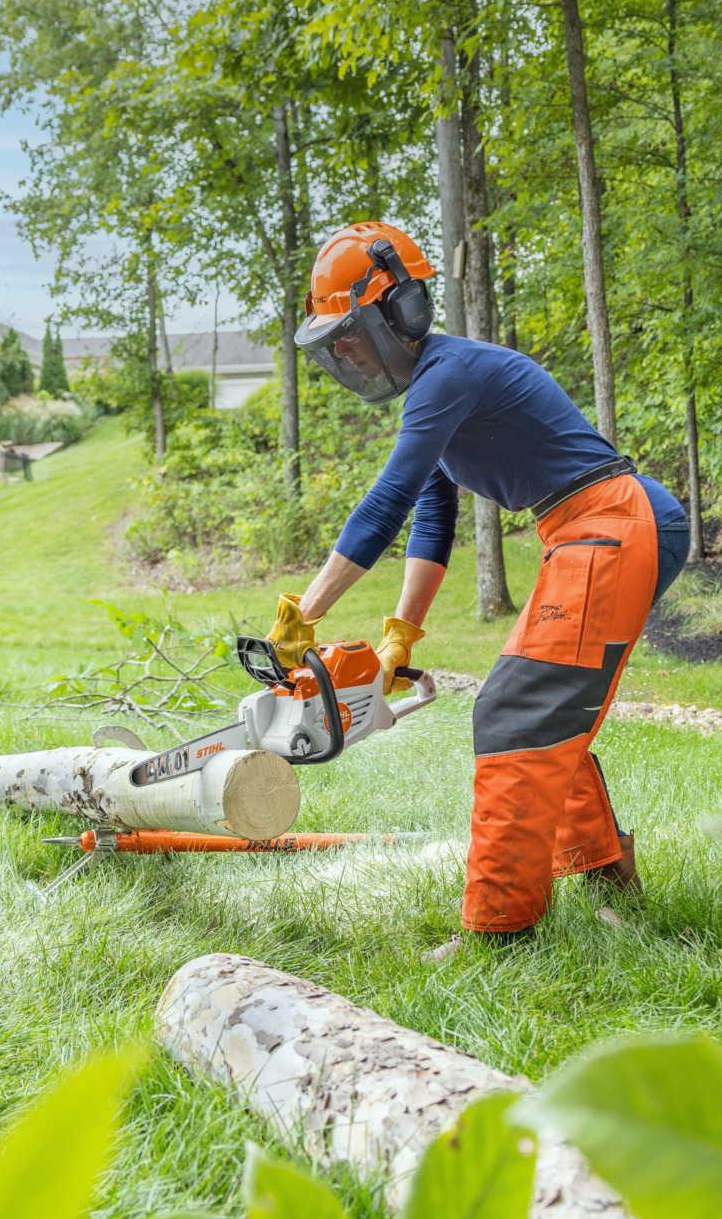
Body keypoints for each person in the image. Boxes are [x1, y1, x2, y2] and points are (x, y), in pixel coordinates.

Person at [264, 221, 690, 960]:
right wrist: (402, 636)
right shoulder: (437, 392)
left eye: (351, 335)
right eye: (334, 344)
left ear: (400, 312)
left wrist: (309, 606)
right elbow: (432, 514)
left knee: (514, 707)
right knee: (544, 703)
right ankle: (610, 884)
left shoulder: (447, 375)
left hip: (613, 521)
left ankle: (500, 933)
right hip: (596, 526)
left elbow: (387, 500)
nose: (345, 353)